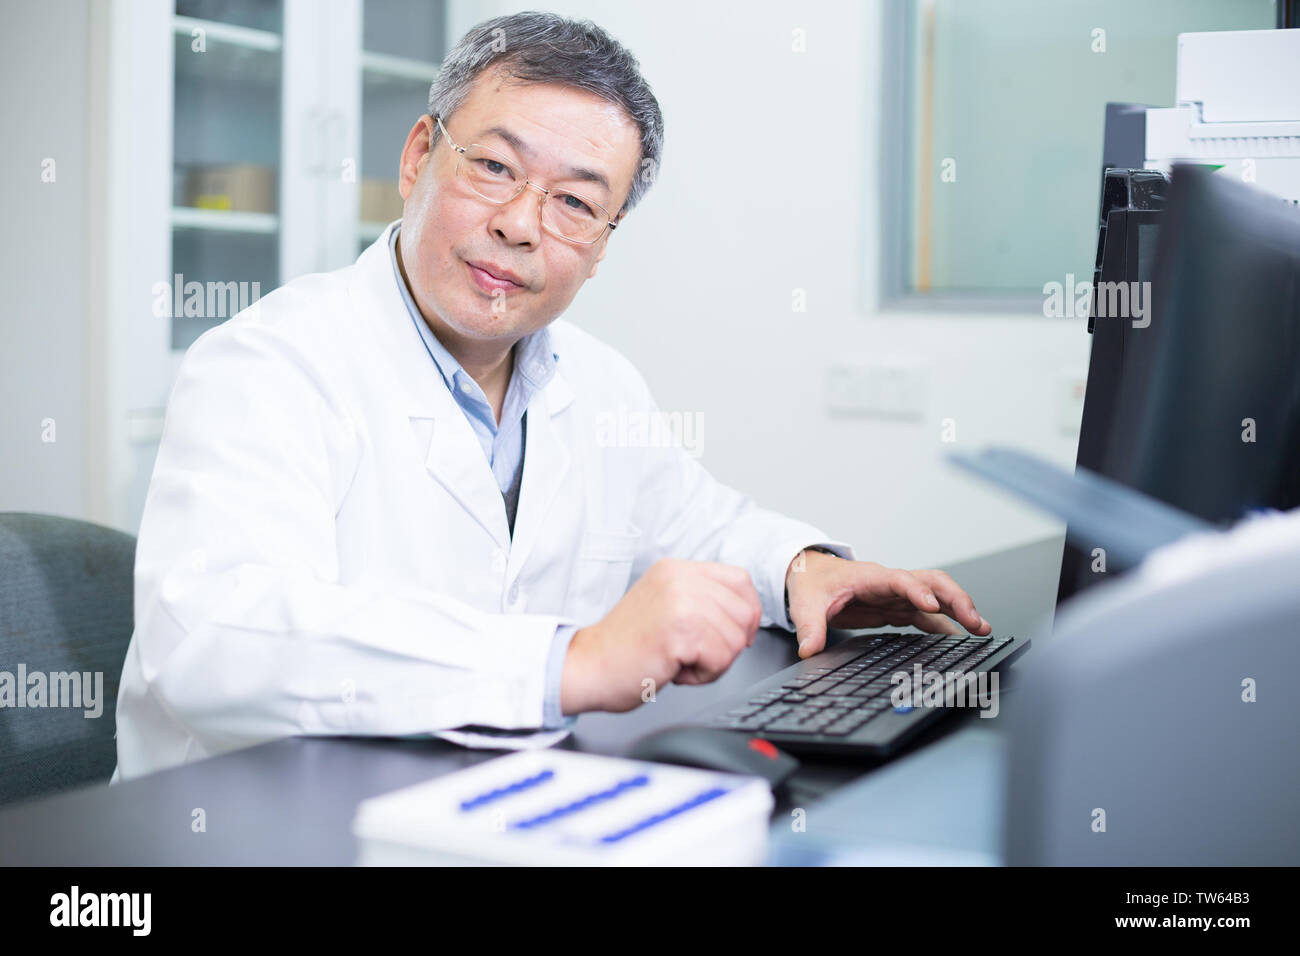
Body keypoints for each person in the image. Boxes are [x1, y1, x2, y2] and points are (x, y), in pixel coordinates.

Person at [113, 12, 989, 780]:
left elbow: (697, 525)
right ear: (417, 157)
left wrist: (803, 569)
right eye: (494, 166)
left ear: (603, 243)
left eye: (574, 202)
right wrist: (570, 662)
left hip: (477, 805)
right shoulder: (267, 364)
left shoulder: (597, 382)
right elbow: (214, 639)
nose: (520, 224)